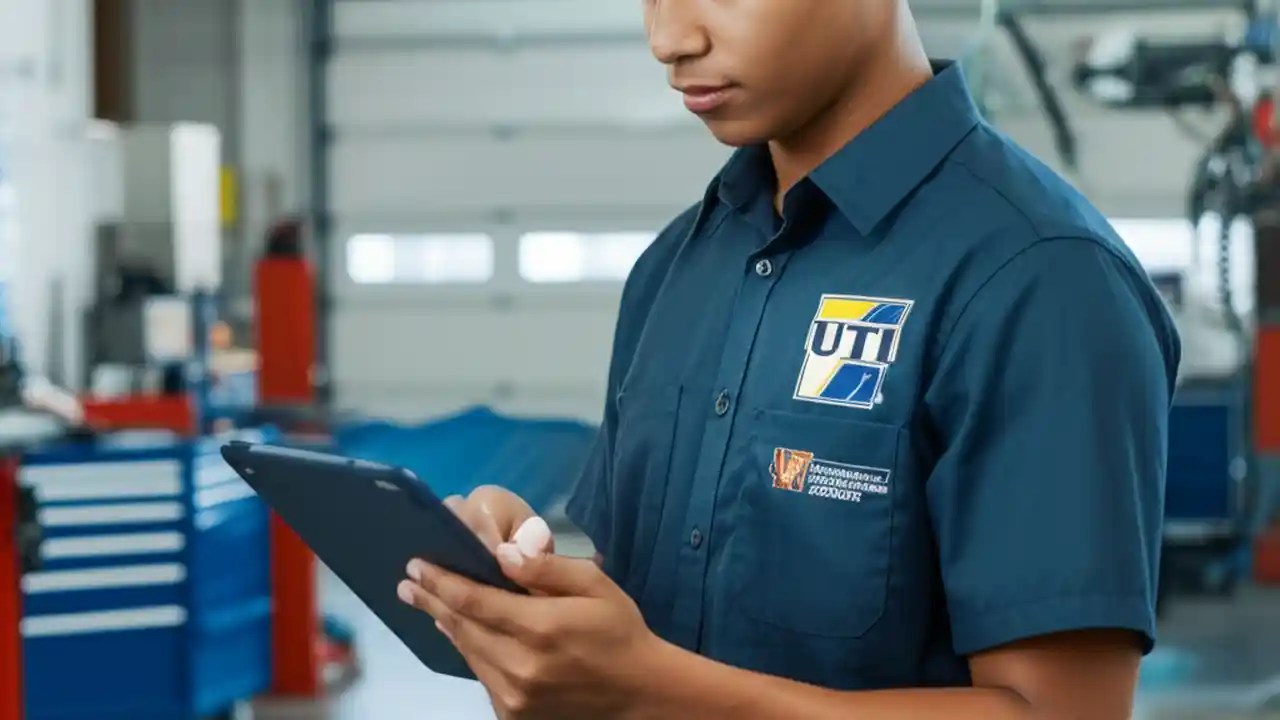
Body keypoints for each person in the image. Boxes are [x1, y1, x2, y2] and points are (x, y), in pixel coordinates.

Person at [397, 0, 1182, 717]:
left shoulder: (1042, 280)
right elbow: (641, 610)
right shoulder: (680, 265)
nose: (672, 39)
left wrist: (648, 689)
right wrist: (528, 597)